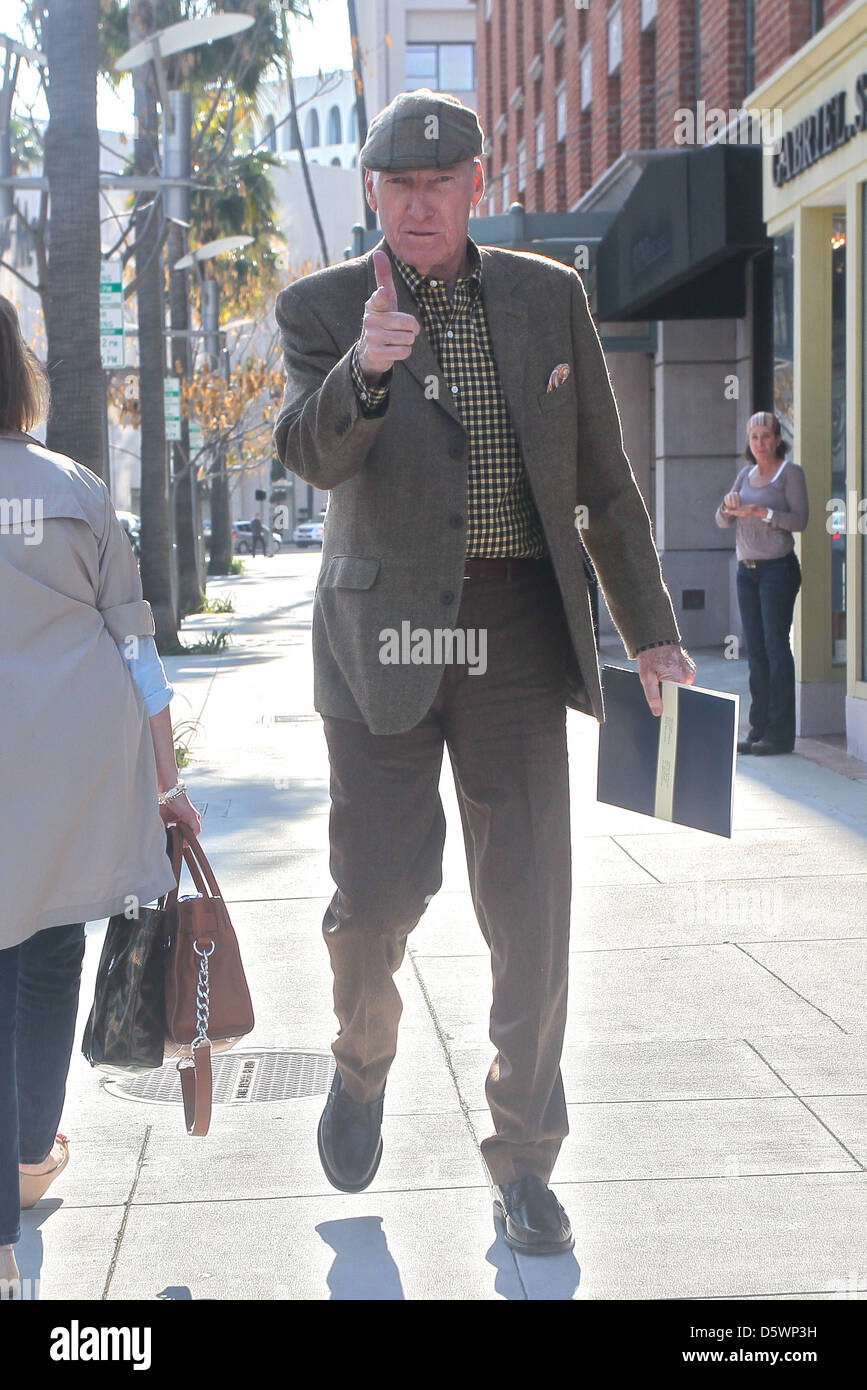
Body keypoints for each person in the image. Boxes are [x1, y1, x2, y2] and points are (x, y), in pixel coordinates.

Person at [273, 90, 695, 1257]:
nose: (419, 201)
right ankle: (362, 1059)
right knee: (378, 900)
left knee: (531, 912)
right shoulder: (319, 308)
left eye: (440, 182)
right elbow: (305, 455)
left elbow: (606, 485)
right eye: (398, 186)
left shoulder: (548, 296)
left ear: (473, 183)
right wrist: (362, 370)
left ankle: (523, 1161)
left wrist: (650, 626)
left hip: (514, 629)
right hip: (382, 645)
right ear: (372, 195)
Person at [0, 296, 201, 1299]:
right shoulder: (74, 489)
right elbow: (138, 650)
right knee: (45, 960)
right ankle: (31, 1158)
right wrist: (168, 779)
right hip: (71, 771)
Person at [716, 411, 808, 755]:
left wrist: (762, 513)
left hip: (778, 570)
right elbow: (721, 520)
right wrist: (729, 506)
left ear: (777, 438)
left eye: (766, 436)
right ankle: (758, 728)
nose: (760, 444)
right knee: (754, 651)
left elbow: (801, 520)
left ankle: (780, 734)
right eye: (754, 438)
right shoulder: (745, 474)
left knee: (775, 647)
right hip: (748, 572)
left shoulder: (789, 473)